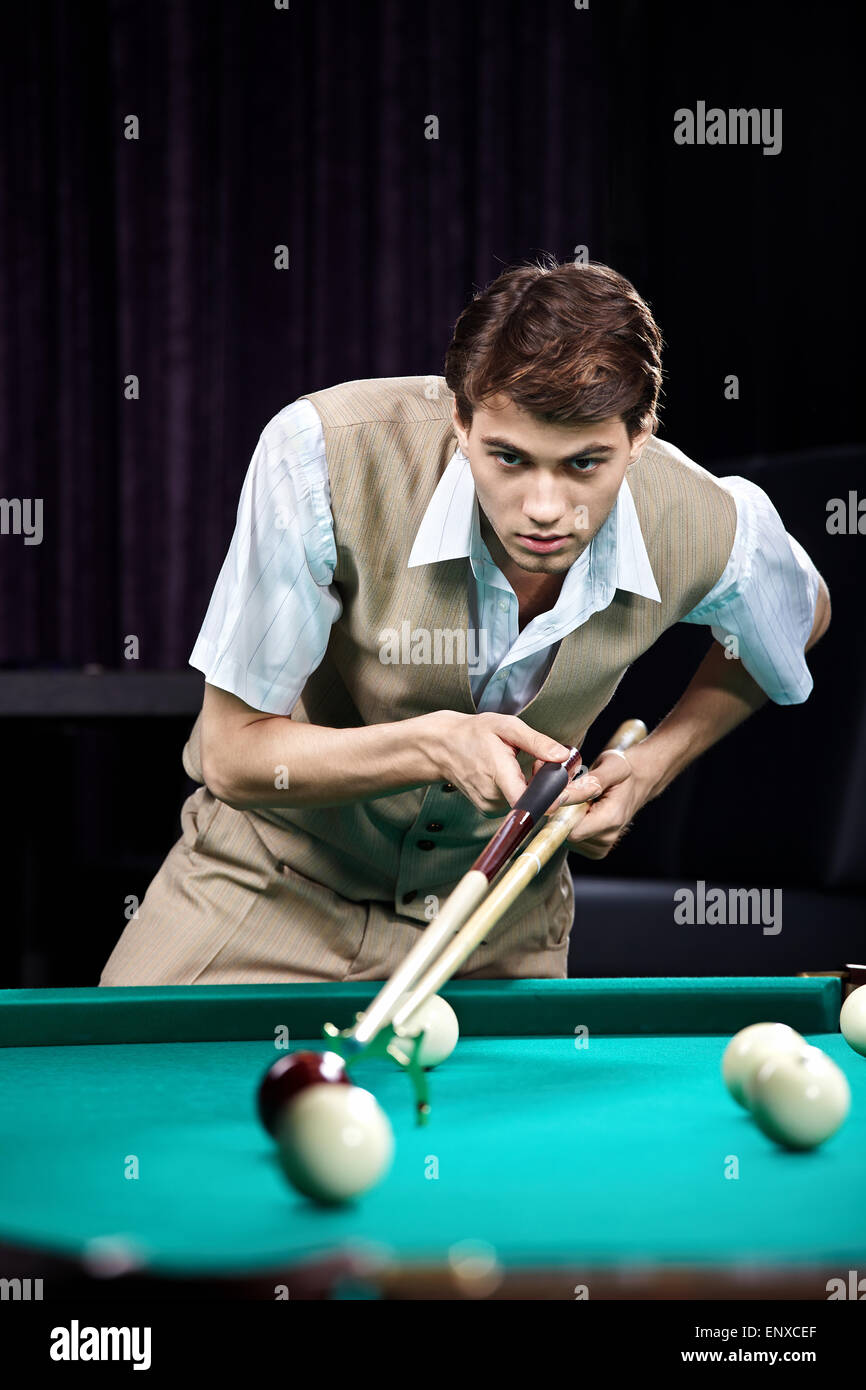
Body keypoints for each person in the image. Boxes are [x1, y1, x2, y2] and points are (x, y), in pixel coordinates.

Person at [100, 258, 829, 986]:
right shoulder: (322, 453)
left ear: (640, 435)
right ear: (460, 419)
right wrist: (436, 744)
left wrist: (649, 770)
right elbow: (233, 754)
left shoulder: (707, 517)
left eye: (584, 465)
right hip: (269, 889)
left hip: (496, 931)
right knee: (111, 1094)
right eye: (508, 458)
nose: (544, 507)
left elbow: (799, 617)